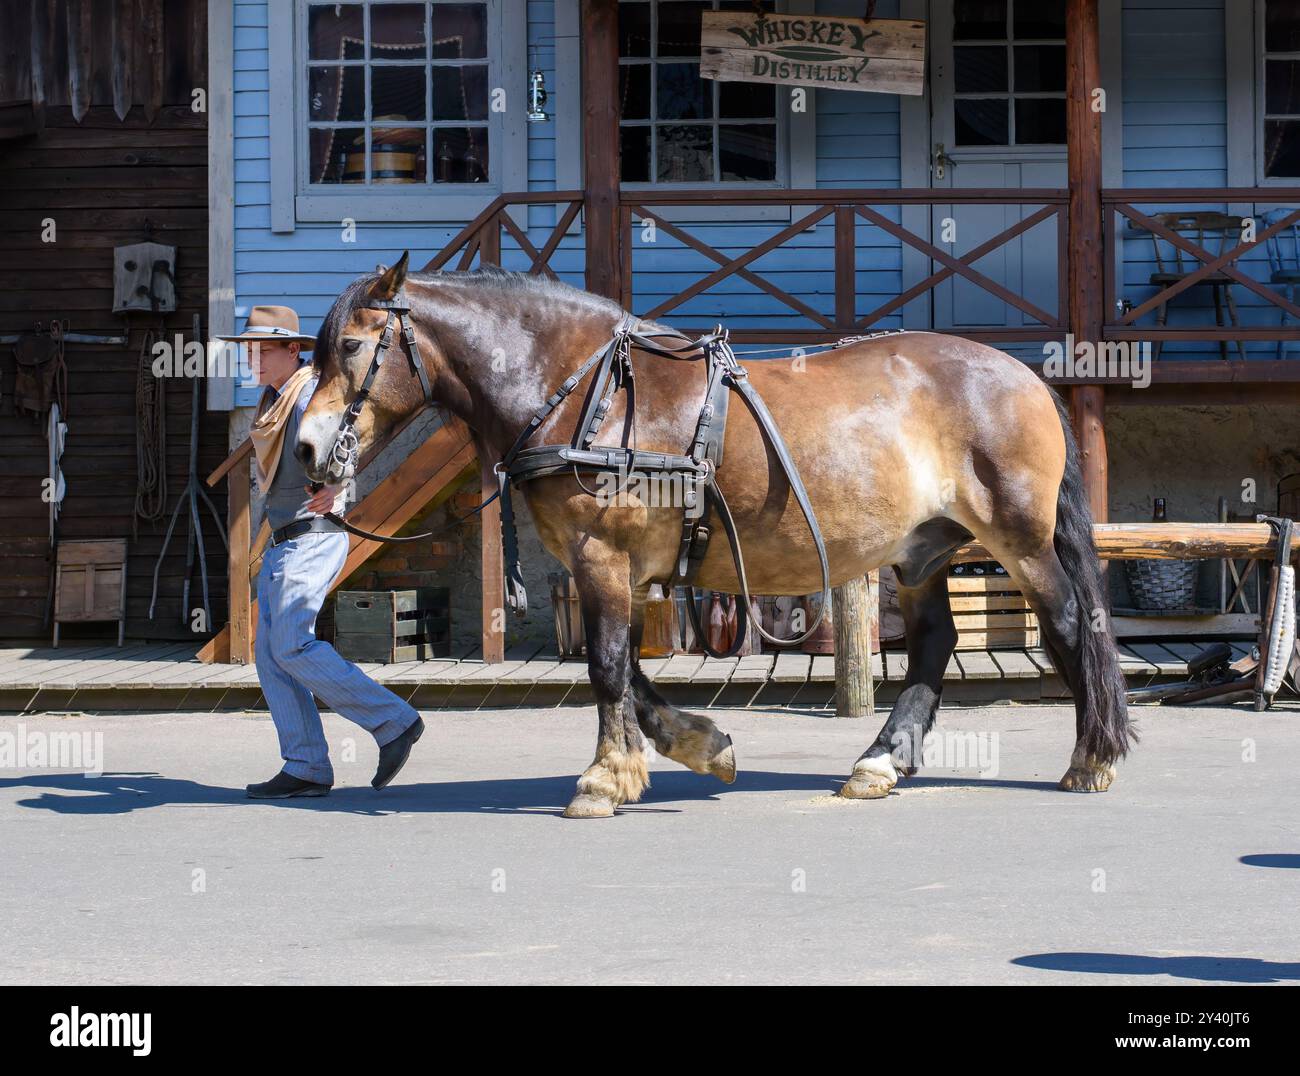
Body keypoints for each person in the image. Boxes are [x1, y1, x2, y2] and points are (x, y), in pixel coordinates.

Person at [218, 306, 424, 799]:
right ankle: (306, 766)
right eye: (248, 349)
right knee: (271, 657)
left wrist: (342, 485)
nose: (252, 358)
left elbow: (352, 433)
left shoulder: (310, 391)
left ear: (293, 350)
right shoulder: (275, 400)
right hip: (286, 541)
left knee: (290, 644)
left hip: (312, 536)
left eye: (262, 349)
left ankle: (394, 720)